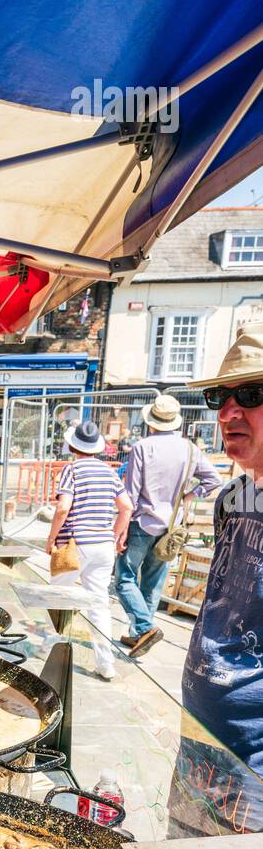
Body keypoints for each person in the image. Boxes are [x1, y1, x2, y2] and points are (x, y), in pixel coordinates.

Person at [180, 332, 263, 775]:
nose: (229, 411)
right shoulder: (233, 497)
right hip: (199, 732)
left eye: (251, 394)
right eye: (219, 396)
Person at [116, 393, 221, 658]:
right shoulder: (190, 449)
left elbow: (132, 492)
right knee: (152, 583)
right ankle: (141, 633)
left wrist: (121, 528)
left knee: (125, 579)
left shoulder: (142, 447)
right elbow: (213, 479)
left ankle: (144, 627)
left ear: (151, 421)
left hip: (142, 522)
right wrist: (189, 496)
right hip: (171, 526)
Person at [45, 420, 133, 681]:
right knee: (99, 605)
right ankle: (106, 664)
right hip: (104, 546)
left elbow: (62, 509)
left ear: (72, 445)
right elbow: (126, 507)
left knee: (57, 596)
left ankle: (52, 646)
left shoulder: (72, 470)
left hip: (73, 544)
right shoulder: (109, 472)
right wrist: (114, 536)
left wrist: (50, 540)